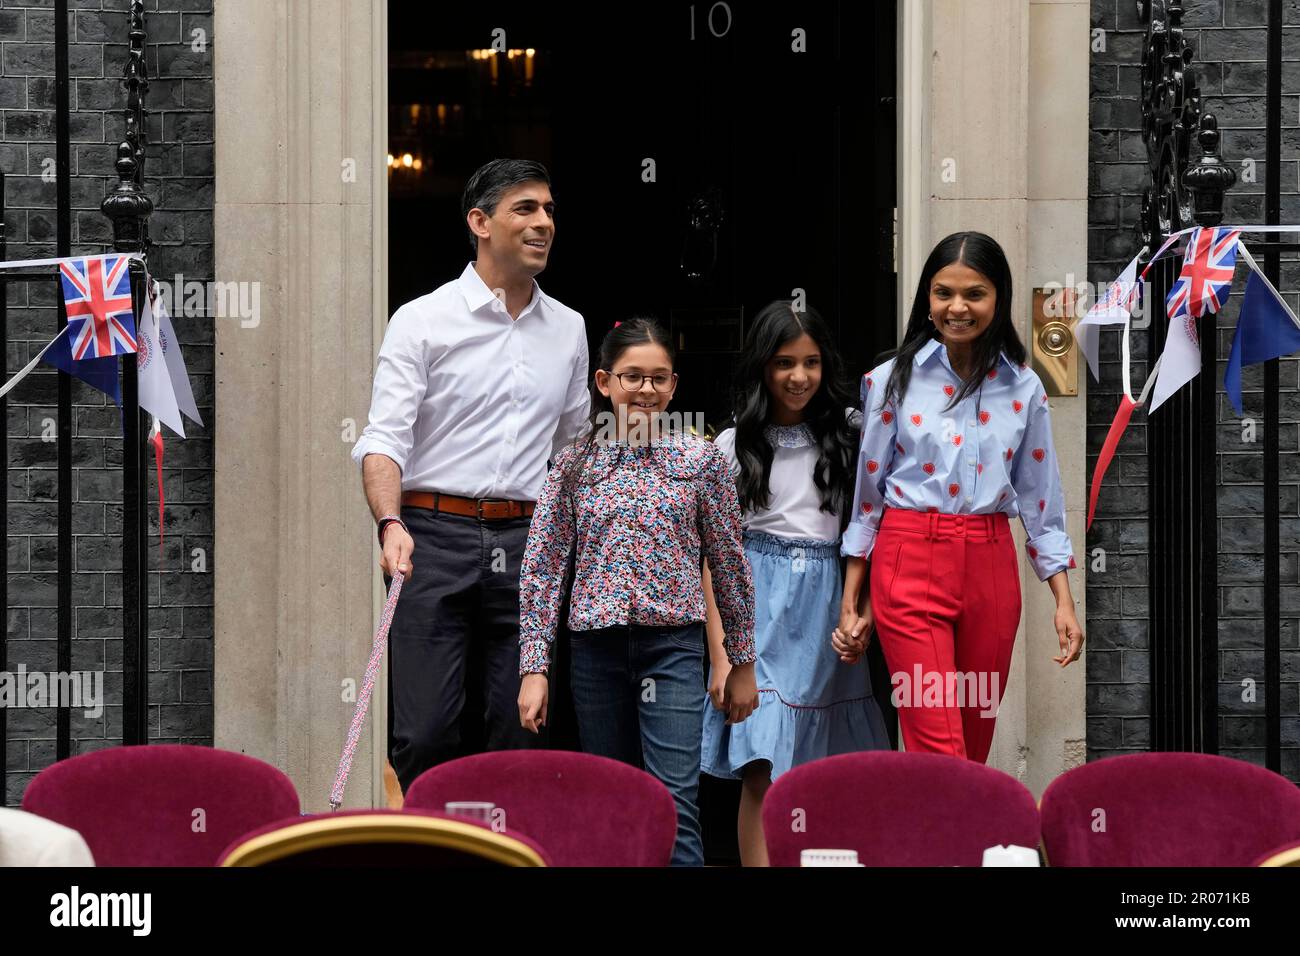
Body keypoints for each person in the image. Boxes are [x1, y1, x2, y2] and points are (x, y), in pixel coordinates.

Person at [352, 159, 590, 793]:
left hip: (529, 542)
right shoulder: (422, 320)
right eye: (525, 209)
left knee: (522, 731)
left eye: (548, 209)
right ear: (480, 223)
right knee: (425, 731)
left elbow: (571, 454)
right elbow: (383, 439)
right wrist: (390, 522)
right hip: (430, 535)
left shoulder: (569, 329)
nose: (544, 223)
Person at [833, 231, 1084, 765]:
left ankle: (948, 844)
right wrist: (853, 598)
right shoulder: (889, 381)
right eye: (944, 293)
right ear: (927, 297)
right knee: (938, 743)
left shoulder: (1024, 388)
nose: (958, 308)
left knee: (972, 746)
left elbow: (1042, 501)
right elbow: (869, 496)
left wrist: (1063, 599)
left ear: (999, 299)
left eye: (975, 294)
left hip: (991, 562)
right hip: (908, 558)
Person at [517, 318, 757, 866]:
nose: (645, 390)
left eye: (658, 378)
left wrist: (741, 660)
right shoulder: (575, 462)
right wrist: (535, 667)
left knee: (674, 802)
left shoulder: (701, 461)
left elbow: (729, 564)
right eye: (631, 378)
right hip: (595, 651)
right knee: (612, 798)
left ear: (674, 386)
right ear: (604, 382)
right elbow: (542, 567)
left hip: (673, 647)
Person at [700, 301, 891, 867]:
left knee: (827, 768)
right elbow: (714, 559)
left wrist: (866, 615)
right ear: (762, 366)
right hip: (754, 615)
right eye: (784, 362)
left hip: (830, 610)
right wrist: (723, 658)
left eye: (810, 362)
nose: (799, 376)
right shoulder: (732, 446)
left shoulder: (852, 438)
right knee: (762, 767)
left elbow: (878, 531)